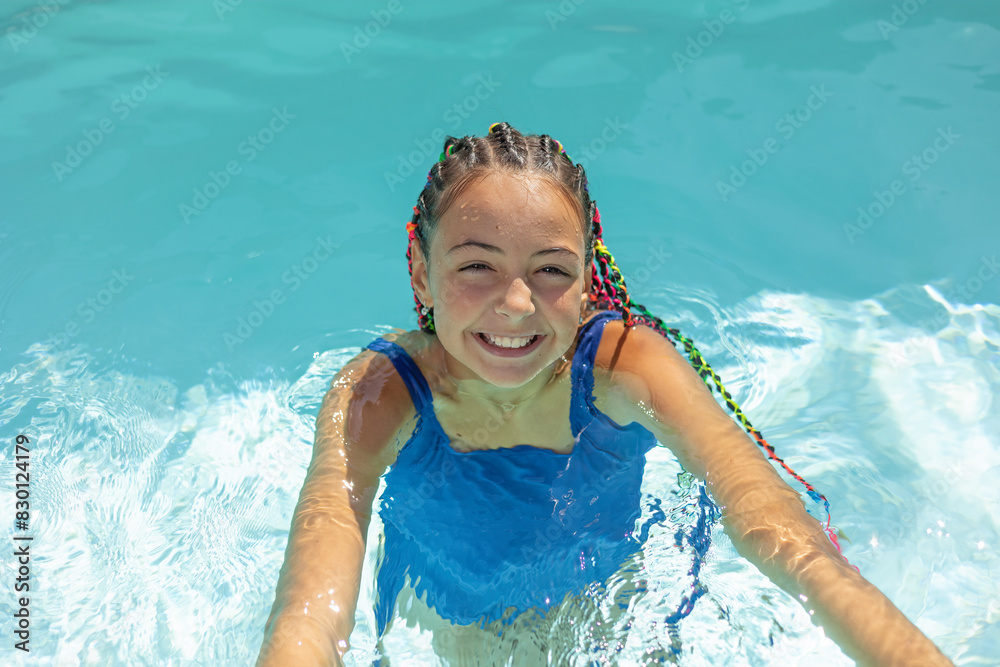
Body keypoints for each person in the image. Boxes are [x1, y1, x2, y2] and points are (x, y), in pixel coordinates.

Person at [255, 123, 955, 666]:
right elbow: (314, 598)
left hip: (612, 620)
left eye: (550, 269)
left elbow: (774, 528)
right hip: (440, 630)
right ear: (421, 269)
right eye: (477, 265)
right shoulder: (386, 392)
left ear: (589, 277)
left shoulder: (625, 364)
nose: (517, 303)